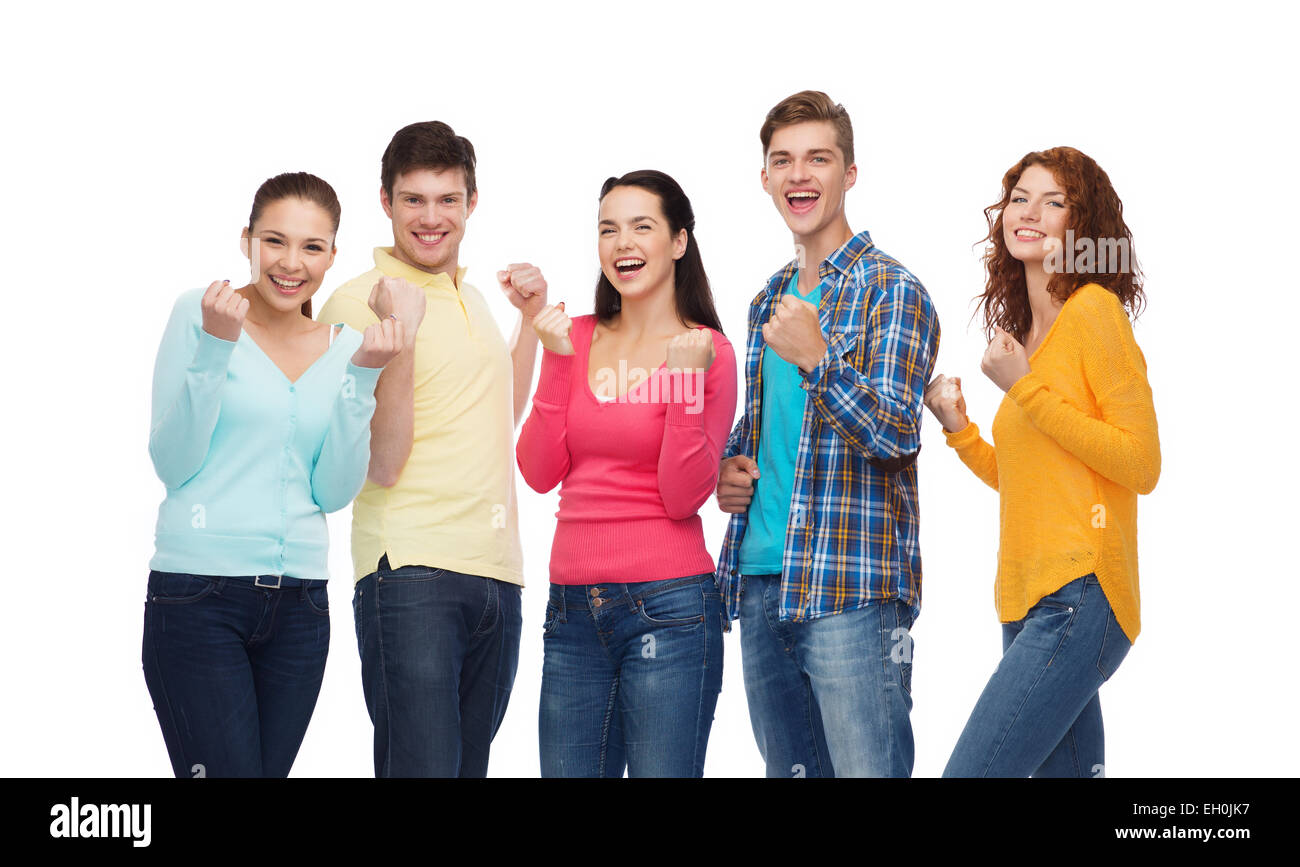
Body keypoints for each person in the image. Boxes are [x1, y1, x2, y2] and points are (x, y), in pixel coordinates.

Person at [144, 172, 400, 777]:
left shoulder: (347, 348)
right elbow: (172, 464)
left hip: (302, 608)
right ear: (247, 241)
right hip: (198, 595)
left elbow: (333, 493)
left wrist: (363, 378)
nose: (291, 263)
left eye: (312, 247)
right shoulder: (200, 314)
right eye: (274, 242)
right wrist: (214, 347)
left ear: (333, 255)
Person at [714, 91, 941, 778]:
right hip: (761, 581)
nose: (798, 175)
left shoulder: (891, 290)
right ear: (764, 179)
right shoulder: (767, 298)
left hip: (852, 590)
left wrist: (818, 357)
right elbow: (762, 428)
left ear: (850, 173)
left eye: (818, 157)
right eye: (781, 160)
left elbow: (898, 432)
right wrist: (731, 467)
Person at [317, 121, 549, 778]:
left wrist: (529, 319)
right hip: (411, 569)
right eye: (413, 199)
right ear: (385, 201)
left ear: (472, 203)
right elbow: (377, 462)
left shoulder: (471, 296)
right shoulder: (354, 302)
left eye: (447, 199)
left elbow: (497, 414)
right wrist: (403, 337)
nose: (430, 217)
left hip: (497, 575)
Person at [926, 146, 1159, 777]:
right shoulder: (1027, 338)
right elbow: (1027, 479)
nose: (1028, 212)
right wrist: (960, 430)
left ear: (1081, 227)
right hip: (1025, 602)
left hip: (1081, 595)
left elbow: (1141, 464)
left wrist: (1024, 387)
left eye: (1053, 201)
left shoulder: (1094, 314)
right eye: (1020, 197)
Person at [516, 170, 737, 777]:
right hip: (571, 609)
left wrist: (686, 385)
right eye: (608, 229)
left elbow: (683, 494)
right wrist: (558, 365)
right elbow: (538, 472)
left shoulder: (707, 351)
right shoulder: (575, 335)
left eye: (643, 226)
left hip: (670, 605)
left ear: (678, 242)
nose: (622, 243)